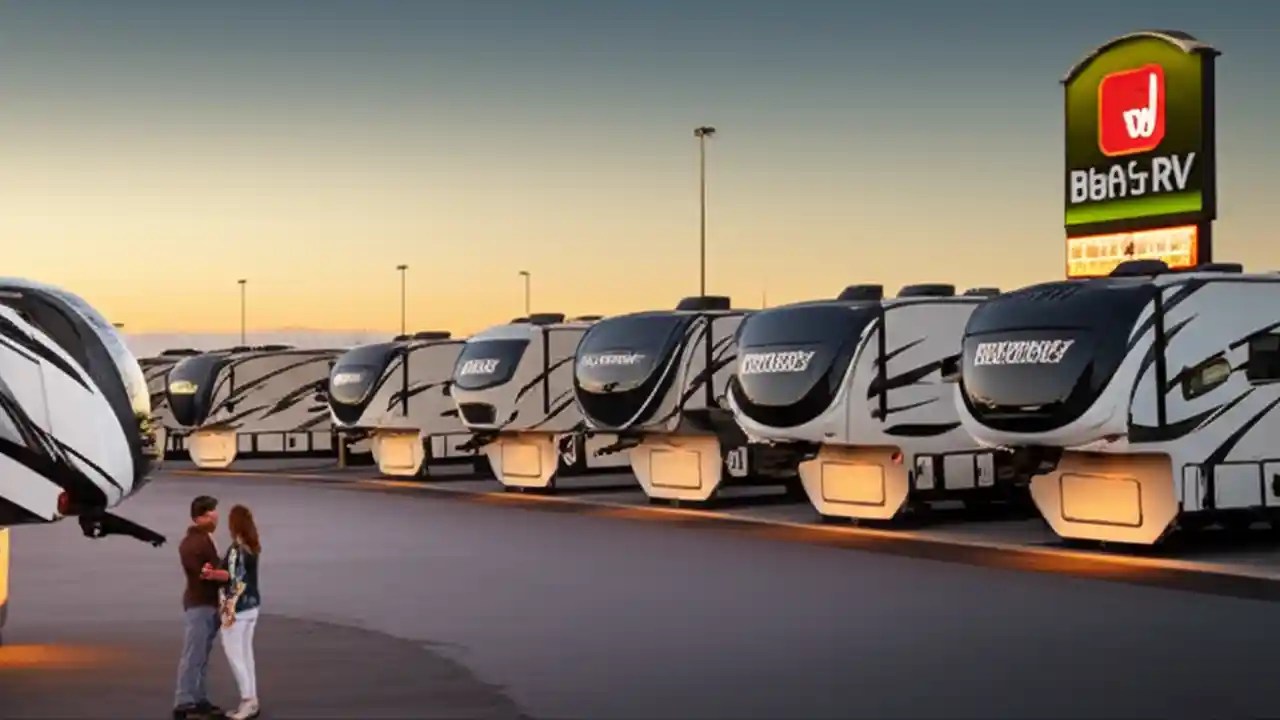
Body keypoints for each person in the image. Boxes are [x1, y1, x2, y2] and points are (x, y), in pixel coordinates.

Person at [174, 495, 229, 720]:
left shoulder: (200, 540)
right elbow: (205, 574)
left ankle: (198, 698)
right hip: (201, 605)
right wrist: (223, 573)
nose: (216, 516)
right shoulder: (195, 544)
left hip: (204, 603)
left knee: (200, 654)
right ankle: (185, 700)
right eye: (212, 512)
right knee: (194, 654)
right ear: (201, 517)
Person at [218, 505, 263, 720]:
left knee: (236, 656)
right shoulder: (253, 547)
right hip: (253, 605)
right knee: (246, 654)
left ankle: (247, 700)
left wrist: (213, 575)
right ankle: (252, 699)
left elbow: (233, 580)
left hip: (237, 608)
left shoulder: (236, 549)